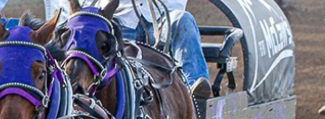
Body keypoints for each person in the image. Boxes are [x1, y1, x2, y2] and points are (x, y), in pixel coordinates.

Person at [48, 0, 212, 97]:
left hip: (162, 16)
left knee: (184, 21)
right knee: (91, 34)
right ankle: (72, 88)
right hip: (117, 17)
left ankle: (194, 90)